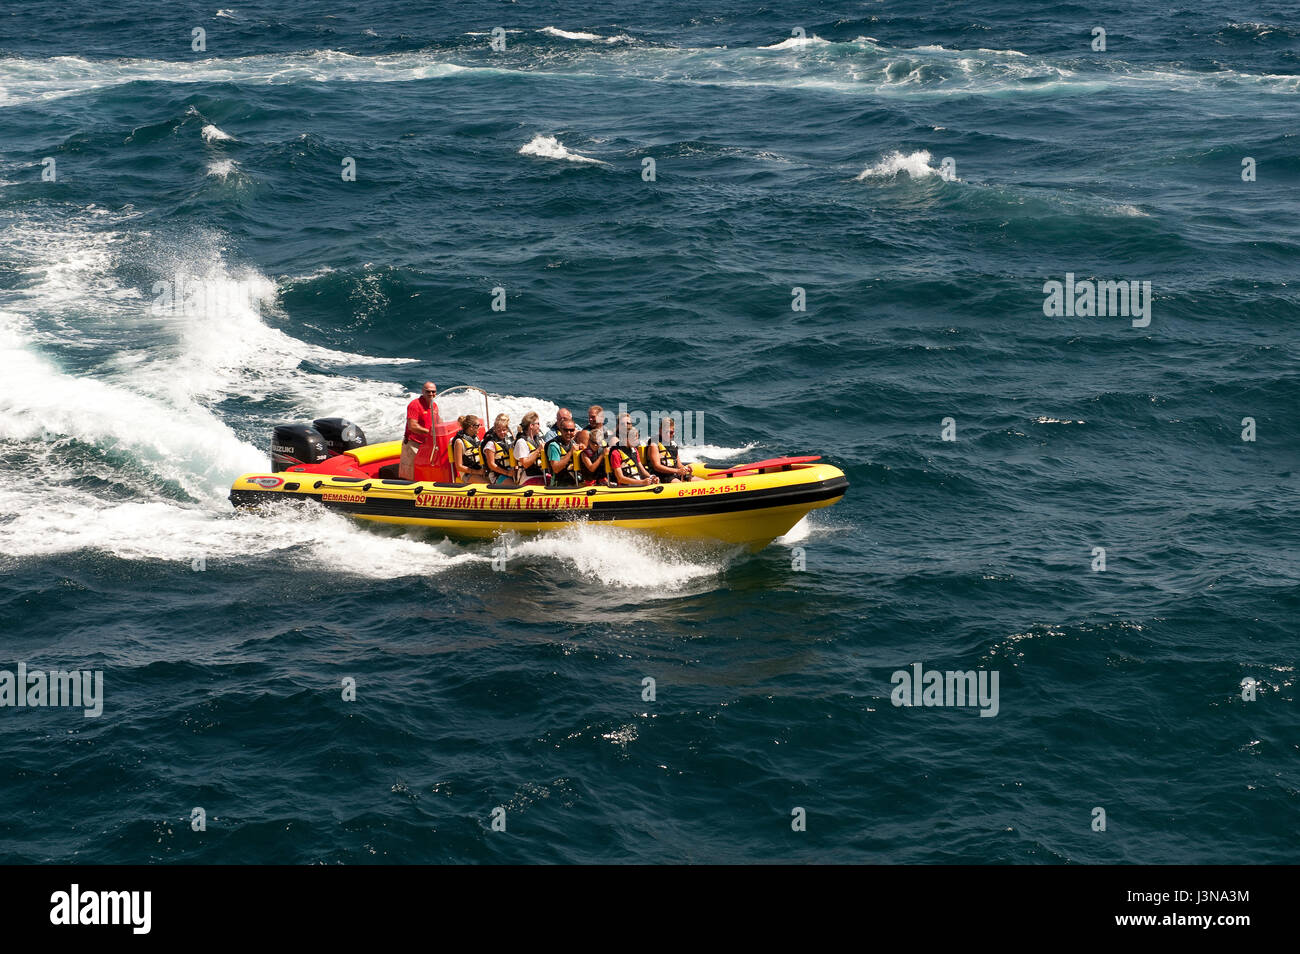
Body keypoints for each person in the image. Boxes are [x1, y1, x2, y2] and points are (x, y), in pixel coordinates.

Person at [399, 381, 441, 480]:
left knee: (423, 472)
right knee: (409, 475)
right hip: (413, 444)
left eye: (433, 391)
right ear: (423, 391)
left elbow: (437, 421)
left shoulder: (434, 405)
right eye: (428, 391)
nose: (431, 394)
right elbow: (412, 426)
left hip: (427, 444)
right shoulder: (414, 405)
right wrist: (431, 433)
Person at [646, 416, 695, 482]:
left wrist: (685, 468)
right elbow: (657, 466)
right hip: (662, 476)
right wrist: (677, 471)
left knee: (700, 481)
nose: (672, 434)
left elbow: (679, 465)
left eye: (672, 432)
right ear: (660, 430)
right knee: (680, 485)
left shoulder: (673, 444)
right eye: (669, 432)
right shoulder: (654, 445)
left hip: (675, 474)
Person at [544, 419, 583, 487]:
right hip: (559, 484)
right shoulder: (553, 446)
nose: (568, 432)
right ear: (560, 430)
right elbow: (556, 469)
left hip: (574, 482)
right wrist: (571, 452)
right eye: (566, 430)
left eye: (571, 430)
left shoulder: (573, 443)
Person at [481, 414, 516, 486]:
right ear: (495, 430)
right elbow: (491, 465)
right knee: (514, 487)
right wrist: (507, 473)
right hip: (497, 475)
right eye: (499, 430)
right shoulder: (491, 444)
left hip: (511, 472)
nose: (502, 432)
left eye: (504, 430)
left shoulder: (508, 440)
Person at [451, 415, 487, 484]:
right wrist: (477, 472)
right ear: (471, 427)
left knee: (495, 483)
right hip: (467, 474)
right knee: (487, 485)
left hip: (478, 469)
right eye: (478, 425)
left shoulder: (475, 438)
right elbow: (459, 467)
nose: (479, 427)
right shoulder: (459, 442)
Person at [513, 412, 546, 485]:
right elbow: (525, 464)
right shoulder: (521, 442)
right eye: (538, 423)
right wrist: (538, 450)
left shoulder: (538, 440)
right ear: (531, 425)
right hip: (528, 477)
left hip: (541, 474)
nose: (539, 426)